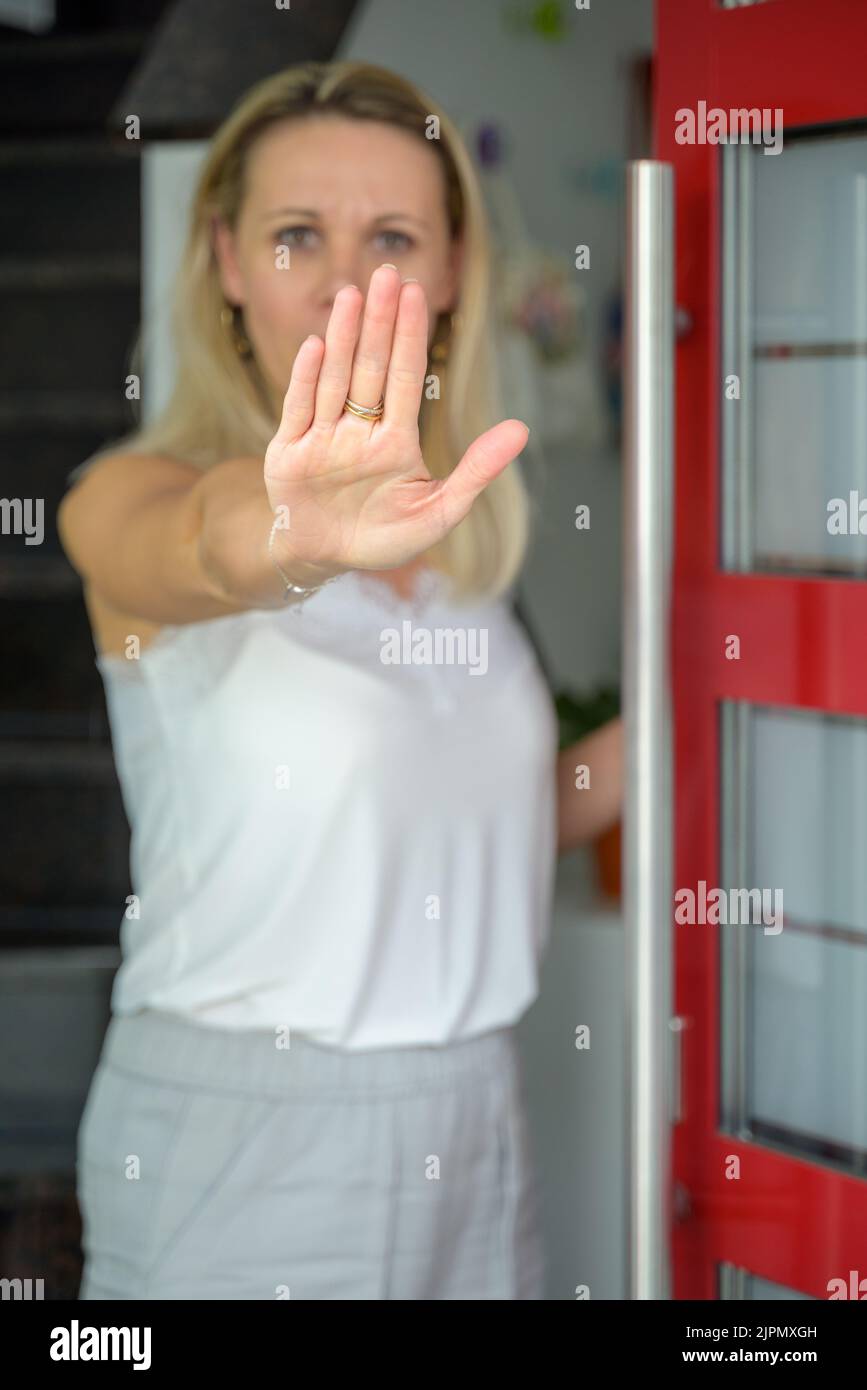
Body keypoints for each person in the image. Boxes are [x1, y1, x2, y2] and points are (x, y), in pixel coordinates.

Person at [58, 59, 623, 1301]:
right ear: (223, 257)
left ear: (458, 269)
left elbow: (520, 813)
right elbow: (203, 547)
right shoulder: (133, 497)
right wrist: (285, 537)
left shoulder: (470, 555)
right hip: (248, 1142)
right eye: (296, 235)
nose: (344, 285)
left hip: (478, 1115)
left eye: (396, 237)